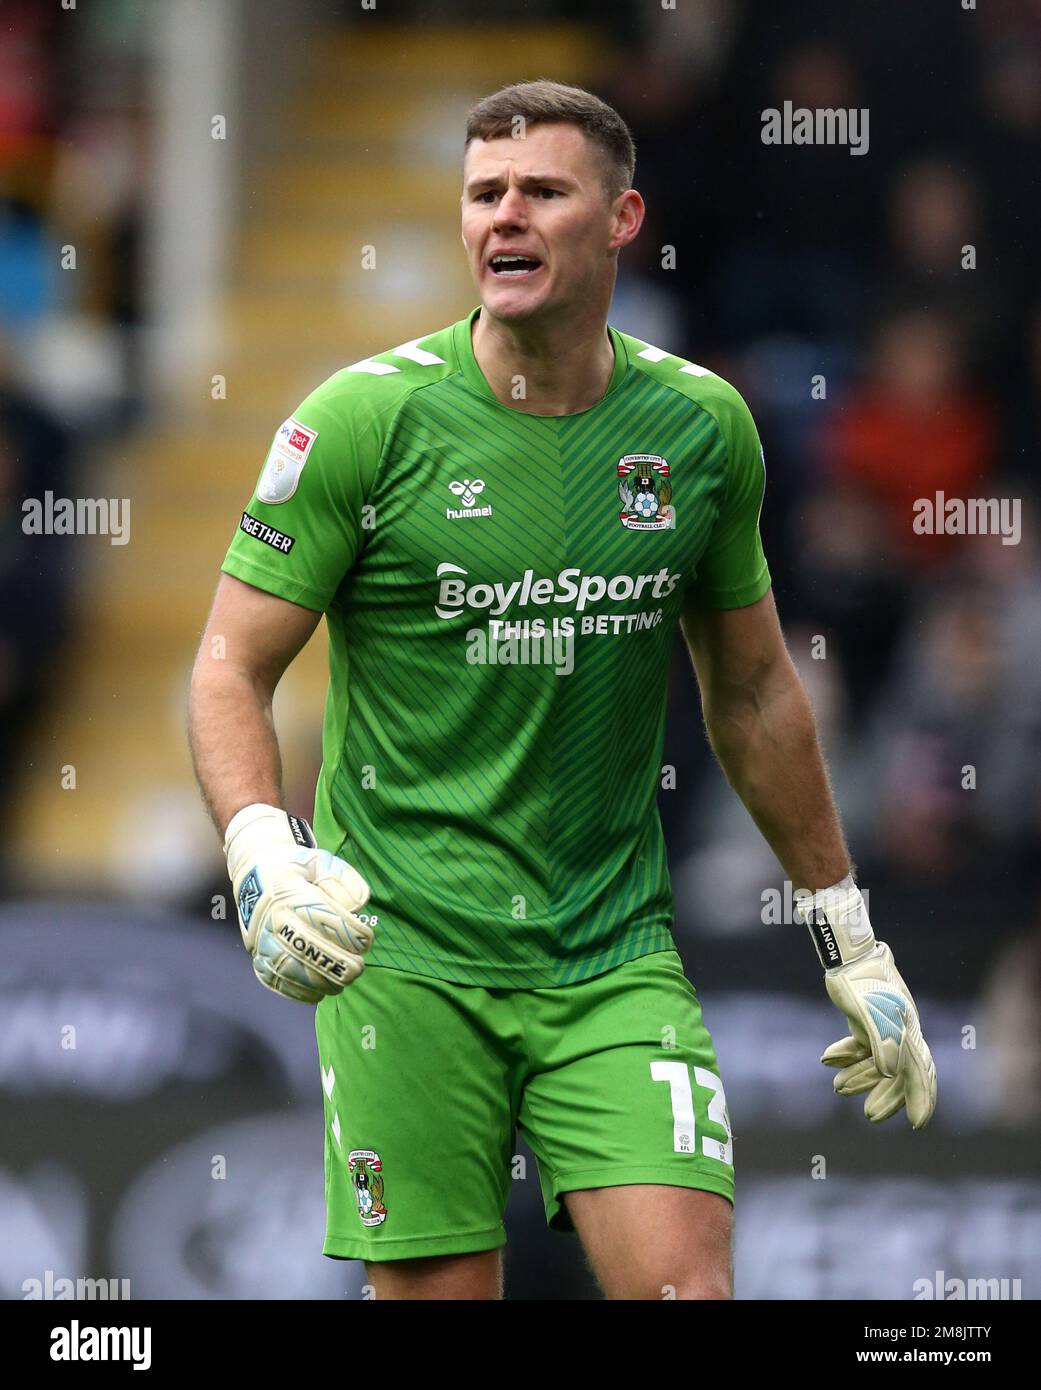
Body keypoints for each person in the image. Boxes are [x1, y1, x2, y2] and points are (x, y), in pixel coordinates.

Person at [187, 80, 936, 1301]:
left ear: (623, 217)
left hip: (610, 953)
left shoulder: (700, 429)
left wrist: (845, 929)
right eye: (484, 195)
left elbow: (751, 690)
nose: (505, 219)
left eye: (542, 191)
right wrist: (262, 841)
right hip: (406, 955)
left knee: (689, 1288)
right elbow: (229, 665)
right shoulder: (365, 423)